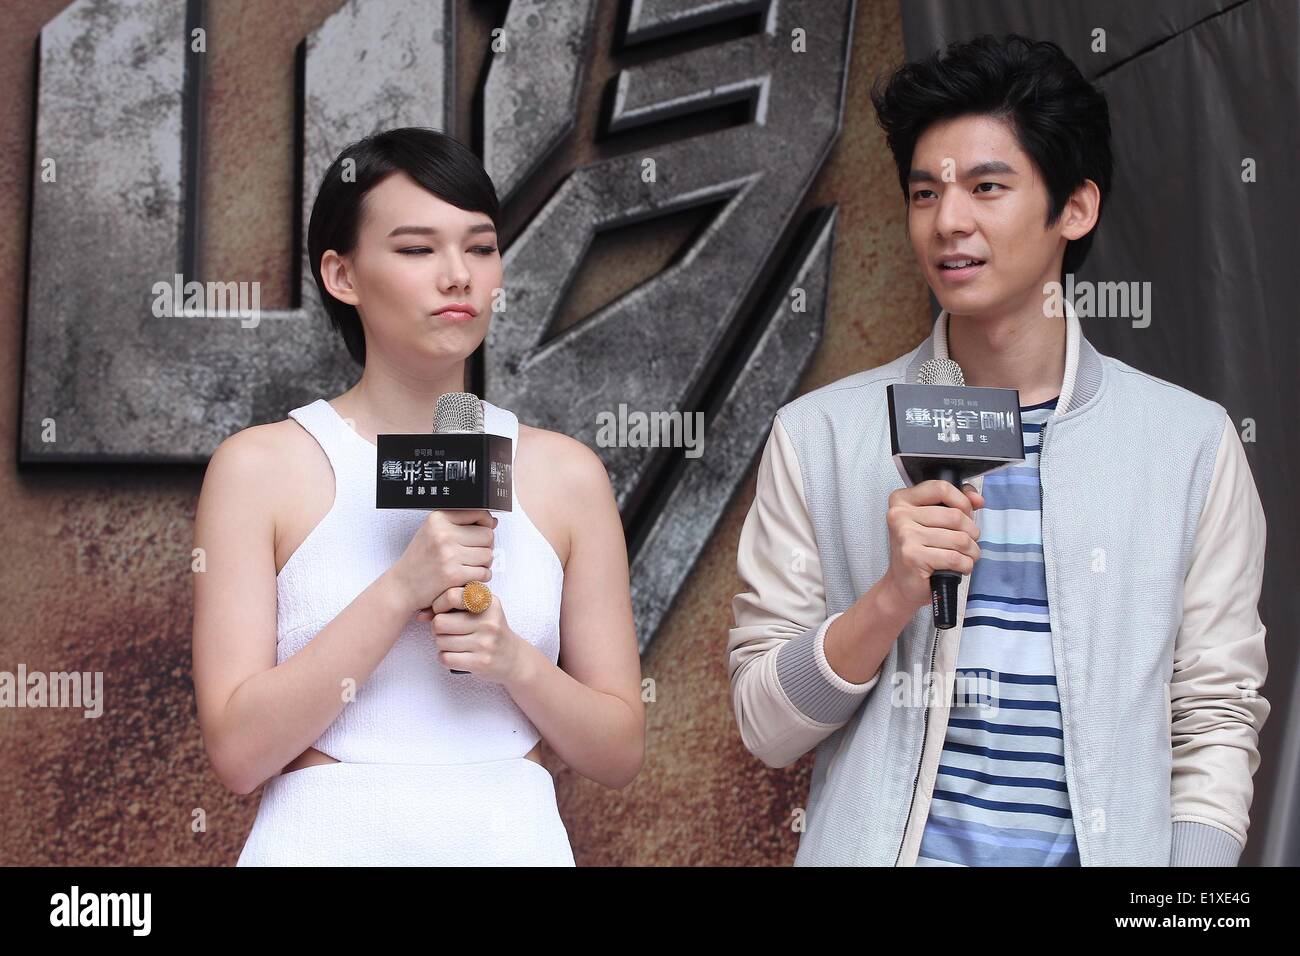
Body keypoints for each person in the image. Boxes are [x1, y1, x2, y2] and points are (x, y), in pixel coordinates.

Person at [727, 35, 1269, 866]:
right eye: (923, 193)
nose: (948, 221)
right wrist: (890, 598)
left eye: (988, 187)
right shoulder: (822, 435)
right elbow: (766, 727)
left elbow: (1213, 717)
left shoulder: (1187, 446)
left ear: (1075, 208)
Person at [192, 127, 644, 865]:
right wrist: (402, 588)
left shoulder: (566, 476)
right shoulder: (261, 469)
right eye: (416, 249)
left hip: (511, 839)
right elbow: (239, 753)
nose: (458, 275)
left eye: (480, 246)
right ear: (342, 275)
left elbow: (619, 749)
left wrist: (515, 661)